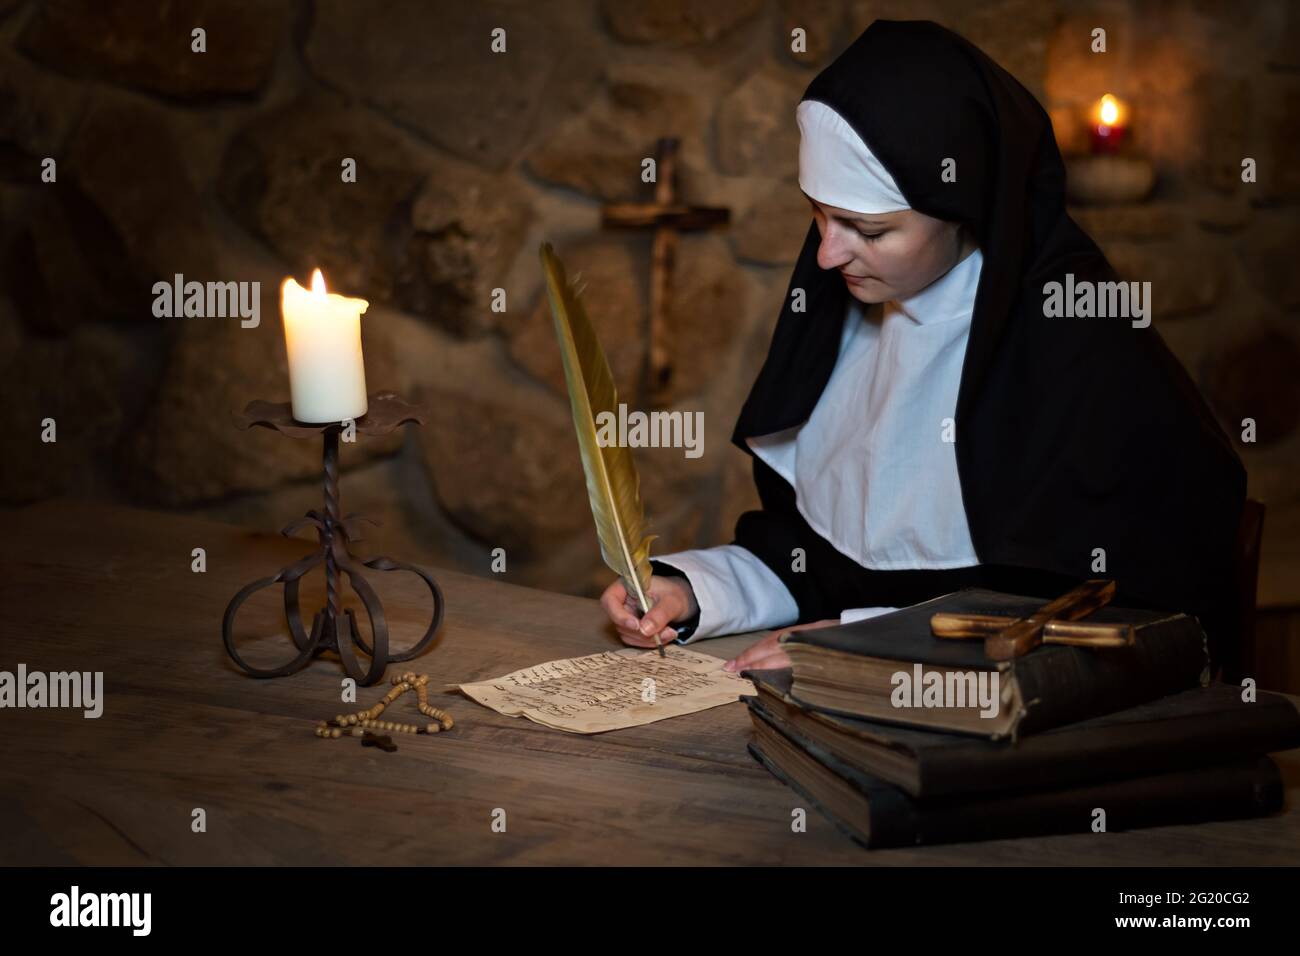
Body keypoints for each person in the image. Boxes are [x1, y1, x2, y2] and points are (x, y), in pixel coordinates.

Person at [599, 20, 1245, 677]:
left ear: (964, 207)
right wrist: (694, 590)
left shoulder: (1086, 360)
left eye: (867, 228)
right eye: (817, 214)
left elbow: (1108, 618)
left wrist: (864, 641)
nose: (826, 255)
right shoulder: (848, 318)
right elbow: (822, 563)